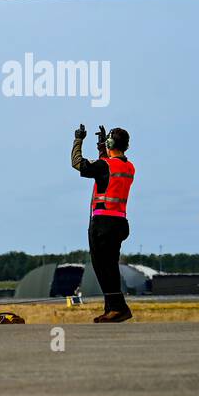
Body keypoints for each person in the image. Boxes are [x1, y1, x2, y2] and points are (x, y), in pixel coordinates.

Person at [72, 124, 135, 322]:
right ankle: (112, 308)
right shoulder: (128, 167)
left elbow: (78, 164)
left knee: (102, 267)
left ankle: (118, 307)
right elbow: (106, 168)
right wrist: (101, 147)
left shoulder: (105, 166)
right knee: (110, 266)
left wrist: (78, 140)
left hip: (103, 223)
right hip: (119, 223)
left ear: (110, 143)